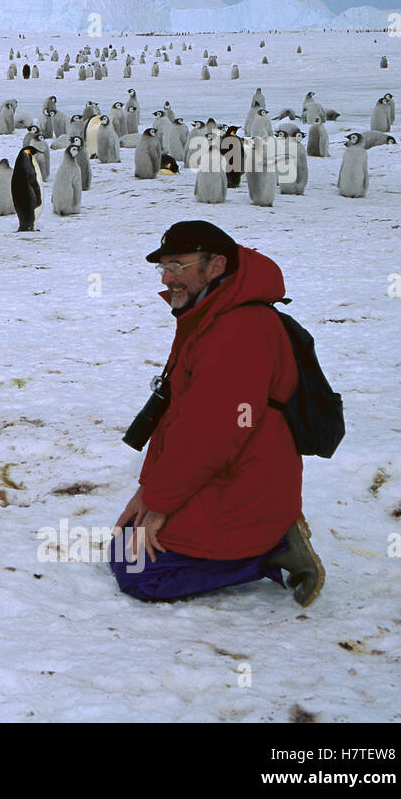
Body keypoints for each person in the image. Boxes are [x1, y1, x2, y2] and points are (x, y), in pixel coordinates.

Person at [111, 220, 325, 605]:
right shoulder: (209, 313)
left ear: (216, 266)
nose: (167, 278)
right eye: (163, 267)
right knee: (126, 540)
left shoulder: (237, 330)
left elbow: (211, 434)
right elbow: (182, 419)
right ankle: (261, 540)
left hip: (247, 479)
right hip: (225, 473)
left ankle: (269, 550)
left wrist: (159, 505)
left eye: (178, 265)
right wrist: (148, 492)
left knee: (141, 575)